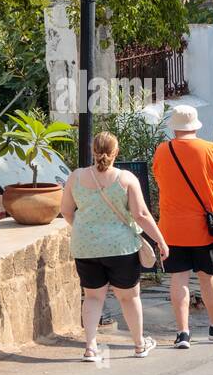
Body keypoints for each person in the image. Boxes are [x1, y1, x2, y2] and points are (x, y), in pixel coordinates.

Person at [61, 132, 169, 361]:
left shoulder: (76, 177)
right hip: (121, 248)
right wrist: (159, 239)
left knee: (92, 297)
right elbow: (140, 215)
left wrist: (86, 230)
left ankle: (90, 348)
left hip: (85, 247)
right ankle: (139, 345)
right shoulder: (126, 178)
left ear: (93, 151)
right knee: (129, 297)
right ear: (115, 152)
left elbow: (66, 211)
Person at [152, 104, 213, 350]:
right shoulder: (211, 150)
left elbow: (160, 180)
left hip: (172, 227)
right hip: (204, 227)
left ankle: (183, 333)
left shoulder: (162, 151)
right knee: (208, 278)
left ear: (174, 127)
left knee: (179, 279)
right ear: (195, 125)